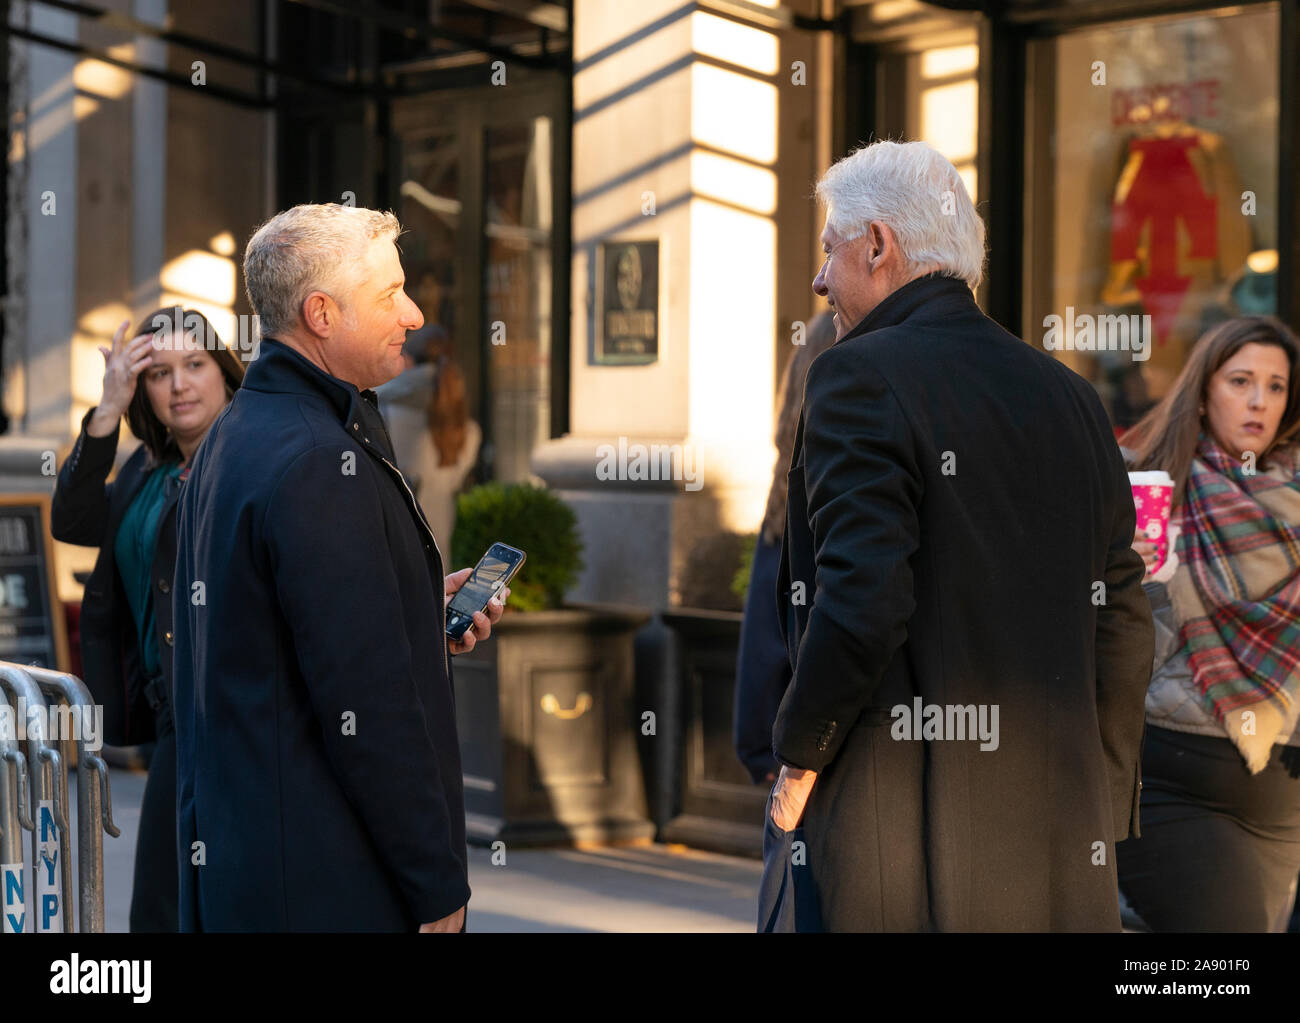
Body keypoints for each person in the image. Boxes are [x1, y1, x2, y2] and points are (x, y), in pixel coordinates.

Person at [760, 140, 1154, 932]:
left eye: (830, 248)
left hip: (902, 845)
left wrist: (801, 751)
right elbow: (1123, 619)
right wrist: (1096, 800)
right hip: (1054, 845)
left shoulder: (856, 374)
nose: (819, 278)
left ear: (878, 244)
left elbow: (863, 597)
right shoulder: (1073, 397)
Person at [171, 203, 508, 933]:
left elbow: (275, 636)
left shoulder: (241, 429)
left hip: (256, 862)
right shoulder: (318, 457)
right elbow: (367, 703)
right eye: (390, 295)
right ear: (321, 313)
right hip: (326, 881)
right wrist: (435, 881)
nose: (415, 314)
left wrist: (416, 613)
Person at [51, 306, 244, 932]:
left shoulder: (247, 460)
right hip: (171, 716)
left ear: (225, 372)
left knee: (178, 906)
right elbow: (72, 522)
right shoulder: (150, 470)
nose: (180, 385)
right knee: (171, 903)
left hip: (227, 716)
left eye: (195, 365)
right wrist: (107, 408)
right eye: (159, 373)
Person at [1116, 316, 1300, 932]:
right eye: (1241, 380)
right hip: (1169, 782)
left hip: (1279, 793)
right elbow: (1071, 624)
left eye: (1276, 387)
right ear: (1202, 390)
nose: (1258, 401)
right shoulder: (1144, 484)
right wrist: (1114, 572)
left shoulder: (1295, 499)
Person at [734, 311, 836, 784]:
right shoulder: (835, 517)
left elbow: (757, 685)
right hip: (822, 773)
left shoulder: (781, 517)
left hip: (785, 765)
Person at [375, 324, 481, 550]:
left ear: (408, 361)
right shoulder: (468, 428)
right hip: (438, 539)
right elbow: (453, 482)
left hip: (393, 539)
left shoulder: (381, 410)